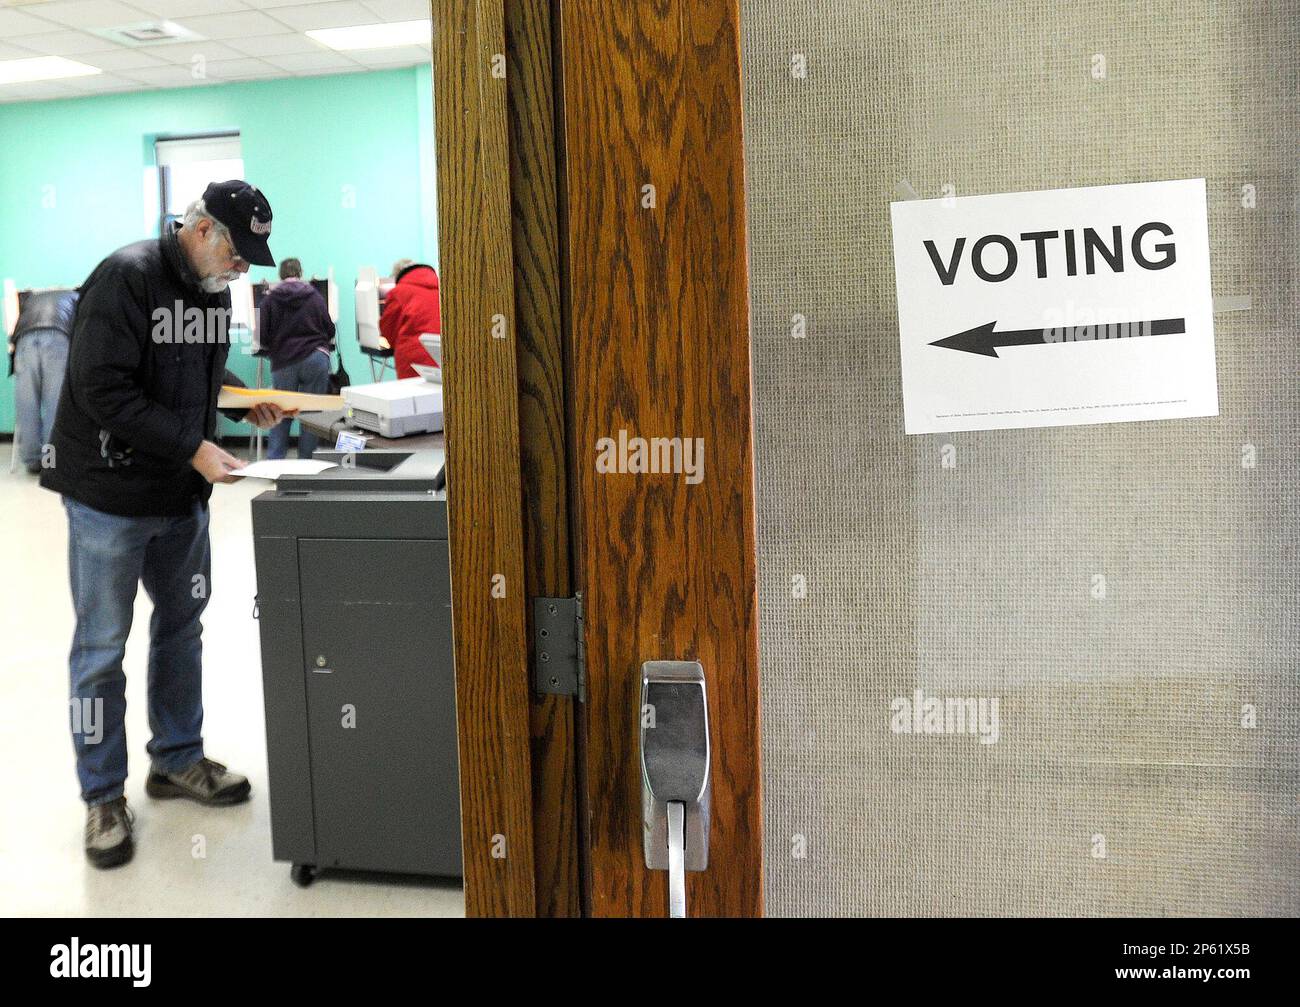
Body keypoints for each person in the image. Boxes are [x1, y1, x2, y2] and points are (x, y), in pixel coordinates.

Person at [39, 179, 292, 869]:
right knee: (101, 647)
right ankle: (102, 797)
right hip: (109, 498)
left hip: (179, 498)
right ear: (202, 229)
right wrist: (193, 447)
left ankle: (176, 759)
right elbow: (104, 389)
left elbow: (195, 377)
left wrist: (244, 401)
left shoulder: (212, 290)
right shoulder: (125, 279)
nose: (243, 269)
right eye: (238, 253)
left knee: (183, 628)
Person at [257, 257, 335, 459]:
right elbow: (329, 328)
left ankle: (275, 463)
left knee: (280, 413)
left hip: (284, 361)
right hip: (315, 358)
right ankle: (306, 465)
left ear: (281, 275)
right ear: (300, 273)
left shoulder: (270, 299)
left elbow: (262, 336)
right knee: (311, 415)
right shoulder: (314, 296)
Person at [8, 288, 78, 474]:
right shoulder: (76, 297)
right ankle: (50, 459)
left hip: (24, 339)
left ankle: (31, 460)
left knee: (27, 402)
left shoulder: (32, 298)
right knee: (55, 402)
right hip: (57, 337)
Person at [379, 258, 441, 379]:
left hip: (414, 360)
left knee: (415, 396)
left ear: (398, 275)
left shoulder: (398, 292)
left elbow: (388, 330)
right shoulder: (442, 288)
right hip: (443, 355)